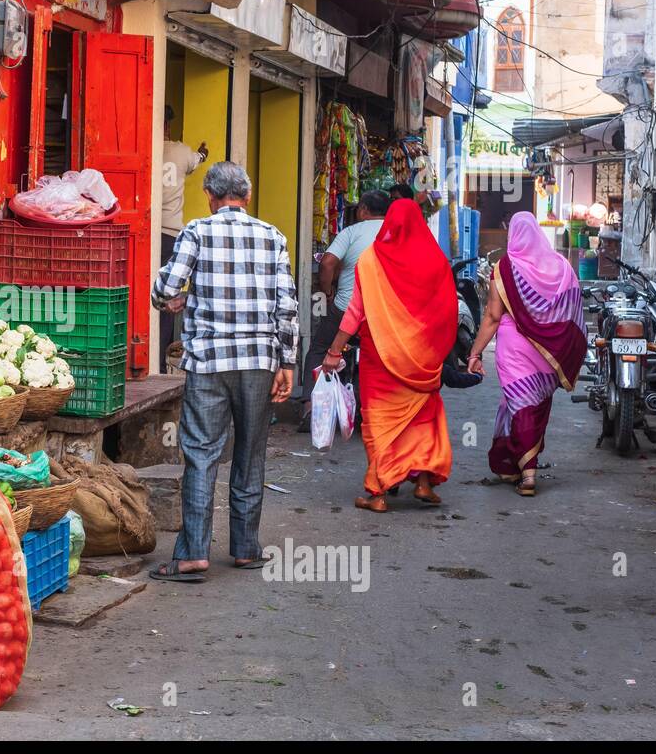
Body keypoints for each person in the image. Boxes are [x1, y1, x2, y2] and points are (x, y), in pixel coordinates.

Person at [148, 162, 298, 581]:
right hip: (259, 361)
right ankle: (246, 548)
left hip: (210, 361)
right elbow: (286, 306)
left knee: (200, 455)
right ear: (247, 197)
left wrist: (171, 303)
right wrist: (287, 362)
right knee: (250, 454)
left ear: (210, 197)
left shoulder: (197, 231)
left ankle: (193, 553)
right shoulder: (273, 236)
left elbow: (165, 288)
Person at [322, 199, 455, 512]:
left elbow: (355, 311)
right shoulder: (435, 260)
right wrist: (435, 348)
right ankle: (423, 482)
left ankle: (378, 492)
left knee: (379, 420)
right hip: (423, 359)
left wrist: (334, 350)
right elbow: (448, 309)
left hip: (380, 356)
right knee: (423, 418)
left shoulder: (372, 260)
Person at [467, 212, 585, 497]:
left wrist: (474, 353)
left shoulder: (505, 268)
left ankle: (528, 472)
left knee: (520, 404)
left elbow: (493, 317)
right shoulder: (562, 267)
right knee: (533, 405)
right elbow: (572, 309)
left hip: (514, 349)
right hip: (549, 352)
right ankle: (514, 466)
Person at [299, 190, 390, 430]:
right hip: (385, 312)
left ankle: (311, 407)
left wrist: (327, 291)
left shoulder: (351, 232)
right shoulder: (397, 233)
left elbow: (327, 263)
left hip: (346, 307)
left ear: (363, 211)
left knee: (318, 349)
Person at [159, 105, 208, 367]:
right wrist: (202, 153)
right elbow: (197, 160)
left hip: (144, 233)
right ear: (167, 125)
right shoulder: (180, 151)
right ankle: (158, 361)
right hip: (169, 235)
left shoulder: (146, 147)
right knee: (167, 302)